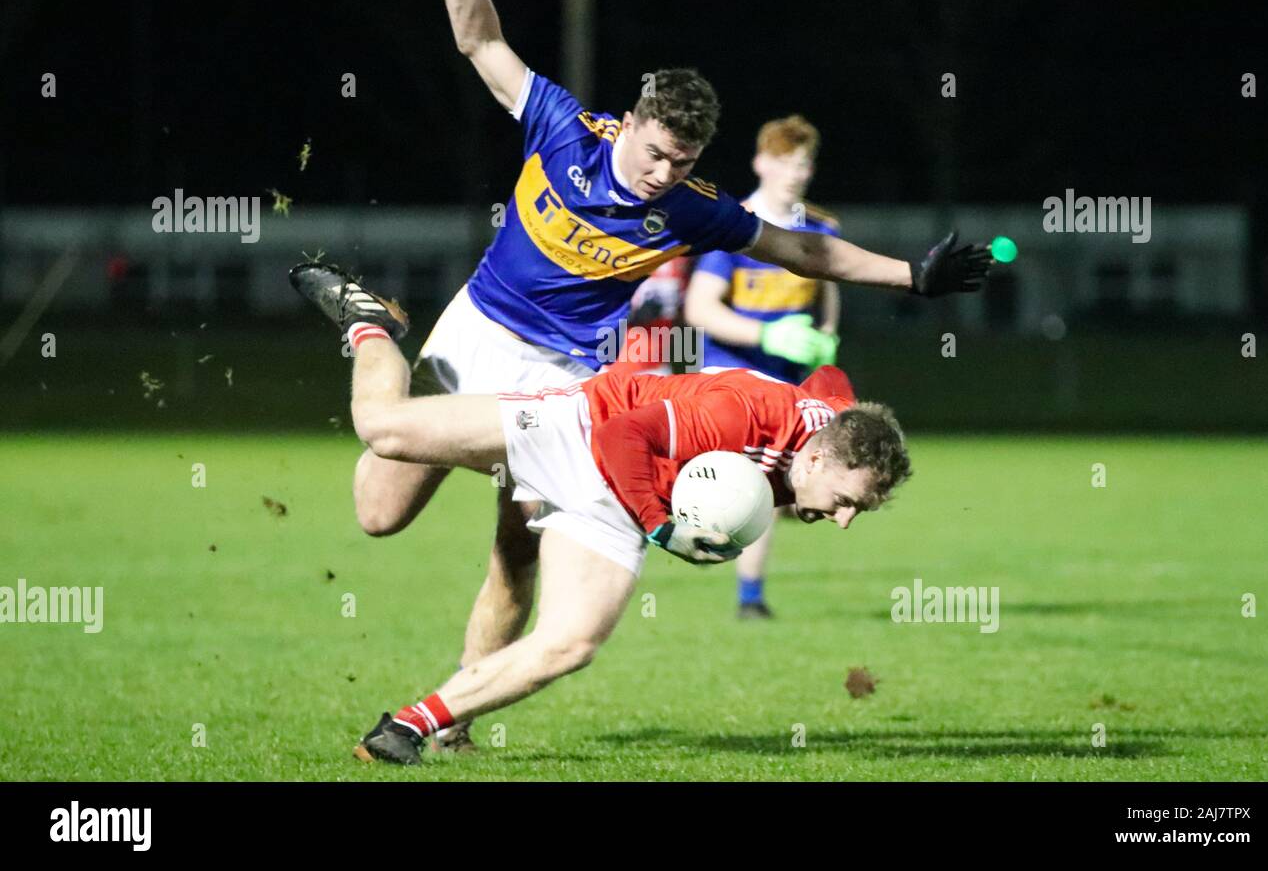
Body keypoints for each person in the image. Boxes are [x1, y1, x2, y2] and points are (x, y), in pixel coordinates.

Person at [352, 0, 993, 751]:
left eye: (682, 163)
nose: (665, 174)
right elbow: (479, 38)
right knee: (378, 512)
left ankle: (449, 730)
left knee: (518, 552)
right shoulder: (561, 127)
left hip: (566, 377)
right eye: (656, 154)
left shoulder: (689, 207)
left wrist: (909, 276)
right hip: (479, 330)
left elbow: (801, 247)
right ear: (629, 125)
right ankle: (372, 326)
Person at [289, 262, 913, 765]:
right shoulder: (737, 413)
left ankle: (407, 729)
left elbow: (830, 379)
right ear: (817, 460)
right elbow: (621, 438)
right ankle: (371, 327)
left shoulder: (832, 431)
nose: (843, 519)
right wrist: (663, 525)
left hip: (611, 499)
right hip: (581, 426)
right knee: (384, 434)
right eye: (847, 502)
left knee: (572, 641)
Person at [684, 114, 840, 619]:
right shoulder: (735, 226)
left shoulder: (819, 229)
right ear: (761, 163)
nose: (797, 173)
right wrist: (767, 333)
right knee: (756, 479)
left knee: (785, 491)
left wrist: (826, 341)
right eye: (786, 162)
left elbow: (830, 289)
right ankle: (749, 598)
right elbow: (700, 309)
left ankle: (745, 584)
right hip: (728, 375)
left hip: (788, 380)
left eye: (804, 163)